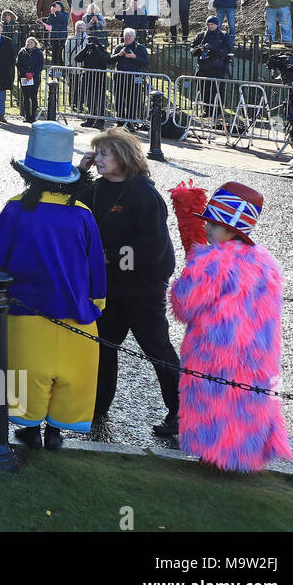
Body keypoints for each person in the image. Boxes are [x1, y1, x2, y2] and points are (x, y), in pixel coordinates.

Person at [0, 123, 105, 449]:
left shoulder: (14, 209)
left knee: (25, 373)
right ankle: (56, 430)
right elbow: (96, 264)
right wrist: (97, 302)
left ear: (28, 174)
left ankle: (28, 428)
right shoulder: (82, 215)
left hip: (25, 312)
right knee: (71, 378)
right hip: (76, 315)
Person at [169, 182, 291, 472]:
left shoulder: (211, 262)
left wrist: (187, 275)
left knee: (214, 404)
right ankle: (239, 459)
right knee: (243, 406)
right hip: (255, 356)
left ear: (231, 228)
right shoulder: (265, 263)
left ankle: (212, 457)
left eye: (214, 223)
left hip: (214, 353)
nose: (208, 229)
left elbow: (184, 306)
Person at [74, 129, 179, 439]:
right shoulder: (99, 188)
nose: (99, 159)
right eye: (98, 153)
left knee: (157, 348)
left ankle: (180, 411)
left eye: (105, 153)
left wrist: (109, 257)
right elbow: (69, 202)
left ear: (125, 157)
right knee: (104, 345)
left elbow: (152, 248)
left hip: (143, 287)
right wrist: (80, 172)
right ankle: (97, 406)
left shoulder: (146, 195)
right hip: (111, 287)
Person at [190, 15, 234, 121]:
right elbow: (192, 48)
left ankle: (217, 112)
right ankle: (207, 110)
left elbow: (228, 49)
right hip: (203, 67)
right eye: (208, 24)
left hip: (218, 67)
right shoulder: (201, 35)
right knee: (203, 90)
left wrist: (214, 50)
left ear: (217, 25)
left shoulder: (223, 35)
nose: (210, 26)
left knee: (217, 91)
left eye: (212, 24)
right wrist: (198, 50)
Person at [111, 27, 150, 128]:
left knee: (132, 100)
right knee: (119, 100)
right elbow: (110, 60)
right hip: (120, 78)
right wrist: (119, 55)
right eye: (126, 36)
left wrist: (134, 57)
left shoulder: (140, 48)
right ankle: (120, 121)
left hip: (134, 78)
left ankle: (131, 122)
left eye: (129, 36)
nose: (127, 38)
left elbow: (146, 63)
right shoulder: (119, 47)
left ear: (134, 37)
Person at [74, 32, 112, 128]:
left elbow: (105, 61)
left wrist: (96, 49)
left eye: (92, 42)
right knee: (89, 100)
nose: (90, 43)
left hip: (99, 79)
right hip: (87, 78)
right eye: (89, 41)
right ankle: (90, 119)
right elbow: (77, 58)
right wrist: (85, 49)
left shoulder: (102, 50)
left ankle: (100, 121)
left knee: (99, 100)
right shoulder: (87, 50)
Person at [15, 35, 43, 123]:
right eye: (28, 42)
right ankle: (27, 116)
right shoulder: (21, 52)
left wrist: (32, 73)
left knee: (33, 97)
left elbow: (40, 65)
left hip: (35, 77)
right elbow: (18, 64)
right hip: (24, 77)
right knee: (26, 97)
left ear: (35, 43)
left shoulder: (38, 52)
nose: (29, 44)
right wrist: (26, 73)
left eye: (31, 42)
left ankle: (33, 116)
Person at [43, 1, 69, 65]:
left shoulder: (65, 14)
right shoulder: (53, 15)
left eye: (57, 7)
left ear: (61, 7)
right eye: (55, 7)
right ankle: (53, 68)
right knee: (54, 53)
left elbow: (63, 21)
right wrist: (51, 14)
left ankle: (62, 68)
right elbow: (48, 24)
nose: (55, 8)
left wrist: (57, 12)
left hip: (62, 36)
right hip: (54, 36)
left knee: (61, 53)